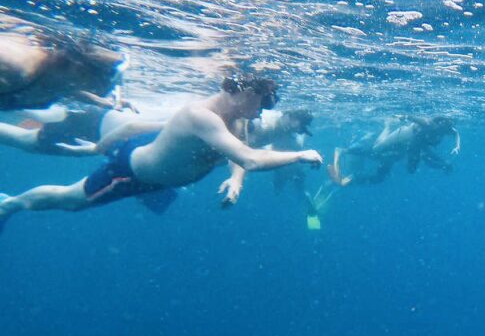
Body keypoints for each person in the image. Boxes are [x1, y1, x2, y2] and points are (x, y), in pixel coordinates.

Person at [0, 72, 322, 234]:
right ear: (243, 93)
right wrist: (299, 155)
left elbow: (240, 156)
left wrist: (236, 183)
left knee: (72, 199)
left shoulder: (238, 119)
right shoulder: (201, 116)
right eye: (262, 104)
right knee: (70, 201)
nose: (262, 112)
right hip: (131, 174)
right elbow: (251, 158)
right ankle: (10, 204)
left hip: (157, 177)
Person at [0, 29, 126, 111]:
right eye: (89, 88)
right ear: (80, 70)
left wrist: (99, 102)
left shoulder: (58, 76)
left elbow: (67, 89)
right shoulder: (15, 66)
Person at [218, 108, 315, 206]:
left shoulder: (285, 130)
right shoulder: (261, 123)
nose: (296, 130)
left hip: (229, 153)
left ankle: (299, 191)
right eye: (297, 126)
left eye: (300, 129)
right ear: (287, 116)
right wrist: (236, 179)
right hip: (222, 150)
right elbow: (238, 148)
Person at [328, 115, 460, 187]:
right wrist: (401, 117)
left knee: (380, 177)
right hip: (403, 136)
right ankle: (342, 151)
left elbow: (427, 154)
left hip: (405, 147)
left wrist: (444, 163)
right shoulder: (429, 125)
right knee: (375, 150)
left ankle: (351, 179)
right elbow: (412, 118)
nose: (444, 134)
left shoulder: (444, 131)